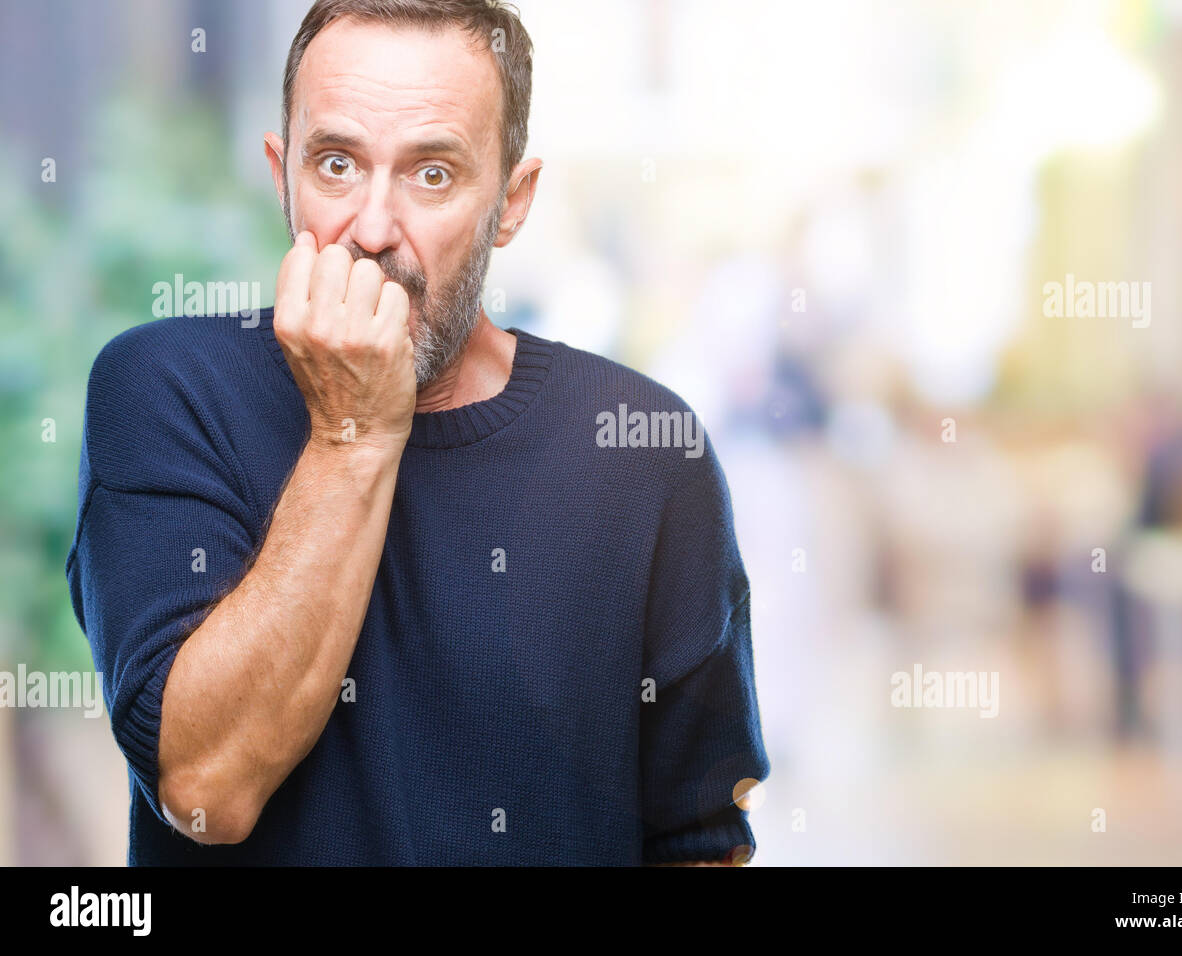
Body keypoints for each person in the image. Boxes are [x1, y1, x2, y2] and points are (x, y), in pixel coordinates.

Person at [66, 0, 768, 866]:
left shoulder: (644, 450)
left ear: (511, 202)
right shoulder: (165, 391)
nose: (371, 230)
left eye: (432, 174)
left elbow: (700, 837)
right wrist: (354, 432)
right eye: (335, 164)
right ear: (281, 174)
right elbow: (207, 790)